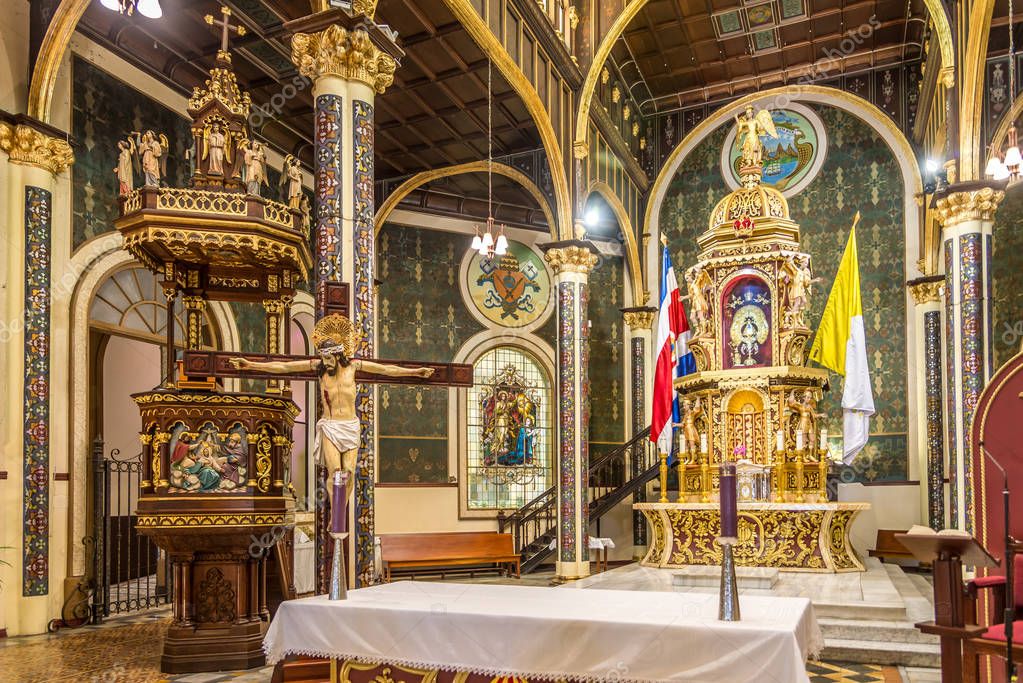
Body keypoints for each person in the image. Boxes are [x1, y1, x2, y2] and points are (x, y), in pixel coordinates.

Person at [229, 314, 433, 510]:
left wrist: (415, 372)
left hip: (350, 426)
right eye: (323, 357)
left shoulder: (354, 367)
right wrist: (251, 364)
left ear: (338, 354)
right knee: (336, 473)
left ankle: (340, 511)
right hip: (330, 426)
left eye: (328, 358)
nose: (325, 362)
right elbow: (284, 367)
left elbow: (387, 370)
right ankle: (336, 516)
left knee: (350, 472)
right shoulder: (319, 368)